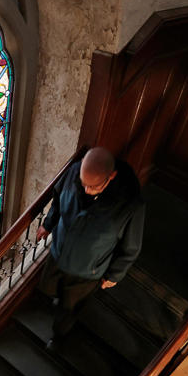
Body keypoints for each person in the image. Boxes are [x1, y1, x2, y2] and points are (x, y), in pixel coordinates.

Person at [36, 147, 145, 349]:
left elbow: (131, 247)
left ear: (111, 177)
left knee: (70, 308)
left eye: (93, 187)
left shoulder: (130, 204)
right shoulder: (73, 172)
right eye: (83, 184)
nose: (86, 191)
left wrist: (114, 275)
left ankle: (58, 338)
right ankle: (56, 301)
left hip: (87, 270)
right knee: (48, 287)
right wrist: (48, 224)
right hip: (59, 252)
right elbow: (59, 200)